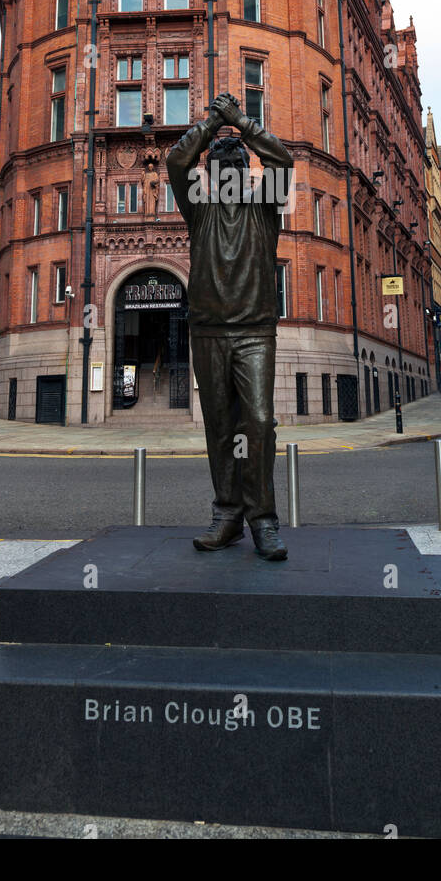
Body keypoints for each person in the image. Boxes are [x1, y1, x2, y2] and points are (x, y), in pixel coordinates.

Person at [167, 91, 294, 561]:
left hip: (256, 329)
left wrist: (240, 122)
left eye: (234, 154)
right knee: (220, 426)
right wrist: (208, 125)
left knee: (258, 422)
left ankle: (263, 520)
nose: (225, 161)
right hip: (208, 330)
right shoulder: (197, 205)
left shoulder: (265, 203)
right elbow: (176, 162)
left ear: (246, 165)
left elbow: (283, 157)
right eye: (217, 157)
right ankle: (227, 517)